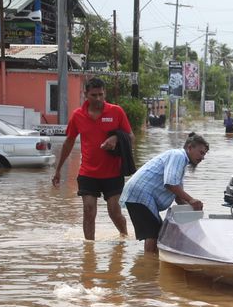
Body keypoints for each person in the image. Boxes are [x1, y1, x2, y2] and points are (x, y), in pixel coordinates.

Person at [51, 77, 134, 240]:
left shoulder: (116, 111)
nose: (98, 99)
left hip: (113, 173)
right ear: (85, 94)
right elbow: (68, 143)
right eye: (94, 95)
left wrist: (116, 139)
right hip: (88, 172)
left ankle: (124, 238)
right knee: (88, 210)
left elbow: (131, 137)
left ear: (105, 94)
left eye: (101, 95)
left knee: (114, 212)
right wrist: (58, 169)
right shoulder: (77, 116)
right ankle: (89, 251)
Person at [119, 132, 209, 254]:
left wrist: (192, 209)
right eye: (201, 152)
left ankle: (150, 262)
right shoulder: (179, 156)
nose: (202, 157)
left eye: (204, 154)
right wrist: (192, 200)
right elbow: (170, 184)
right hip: (140, 194)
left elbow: (178, 196)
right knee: (153, 233)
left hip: (140, 195)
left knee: (157, 232)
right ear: (190, 148)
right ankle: (149, 265)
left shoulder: (181, 162)